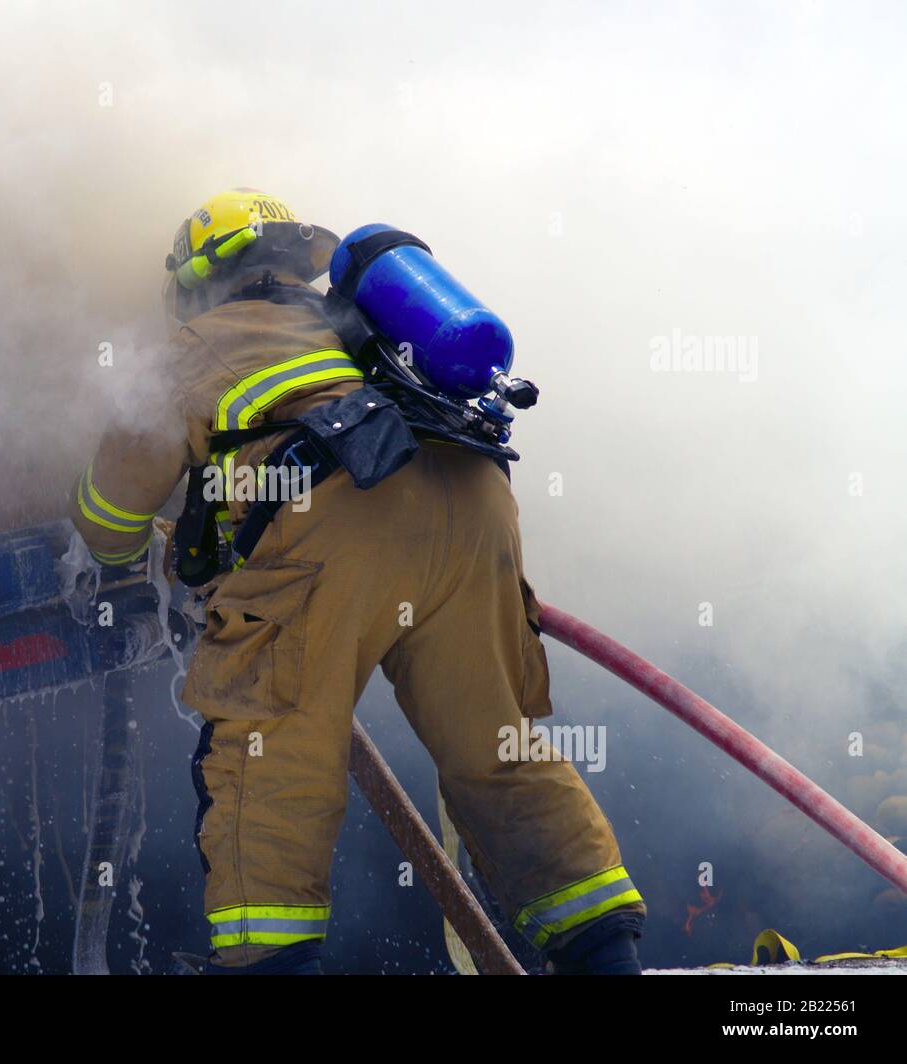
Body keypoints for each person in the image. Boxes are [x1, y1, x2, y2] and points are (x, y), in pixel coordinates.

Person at [70, 187, 644, 975]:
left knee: (273, 753)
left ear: (201, 277)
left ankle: (273, 967)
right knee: (497, 745)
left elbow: (115, 496)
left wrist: (111, 568)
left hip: (338, 517)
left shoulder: (197, 345)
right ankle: (605, 958)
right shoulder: (363, 325)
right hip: (474, 504)